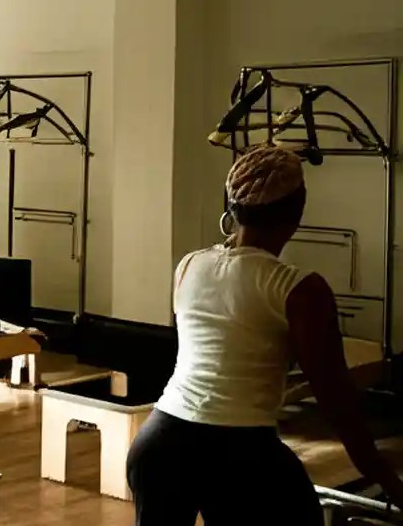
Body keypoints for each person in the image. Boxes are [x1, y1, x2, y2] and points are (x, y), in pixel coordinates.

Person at [126, 145, 403, 524]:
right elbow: (338, 403)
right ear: (298, 209)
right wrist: (390, 483)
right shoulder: (301, 290)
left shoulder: (189, 265)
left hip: (158, 444)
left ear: (233, 207)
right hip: (240, 455)